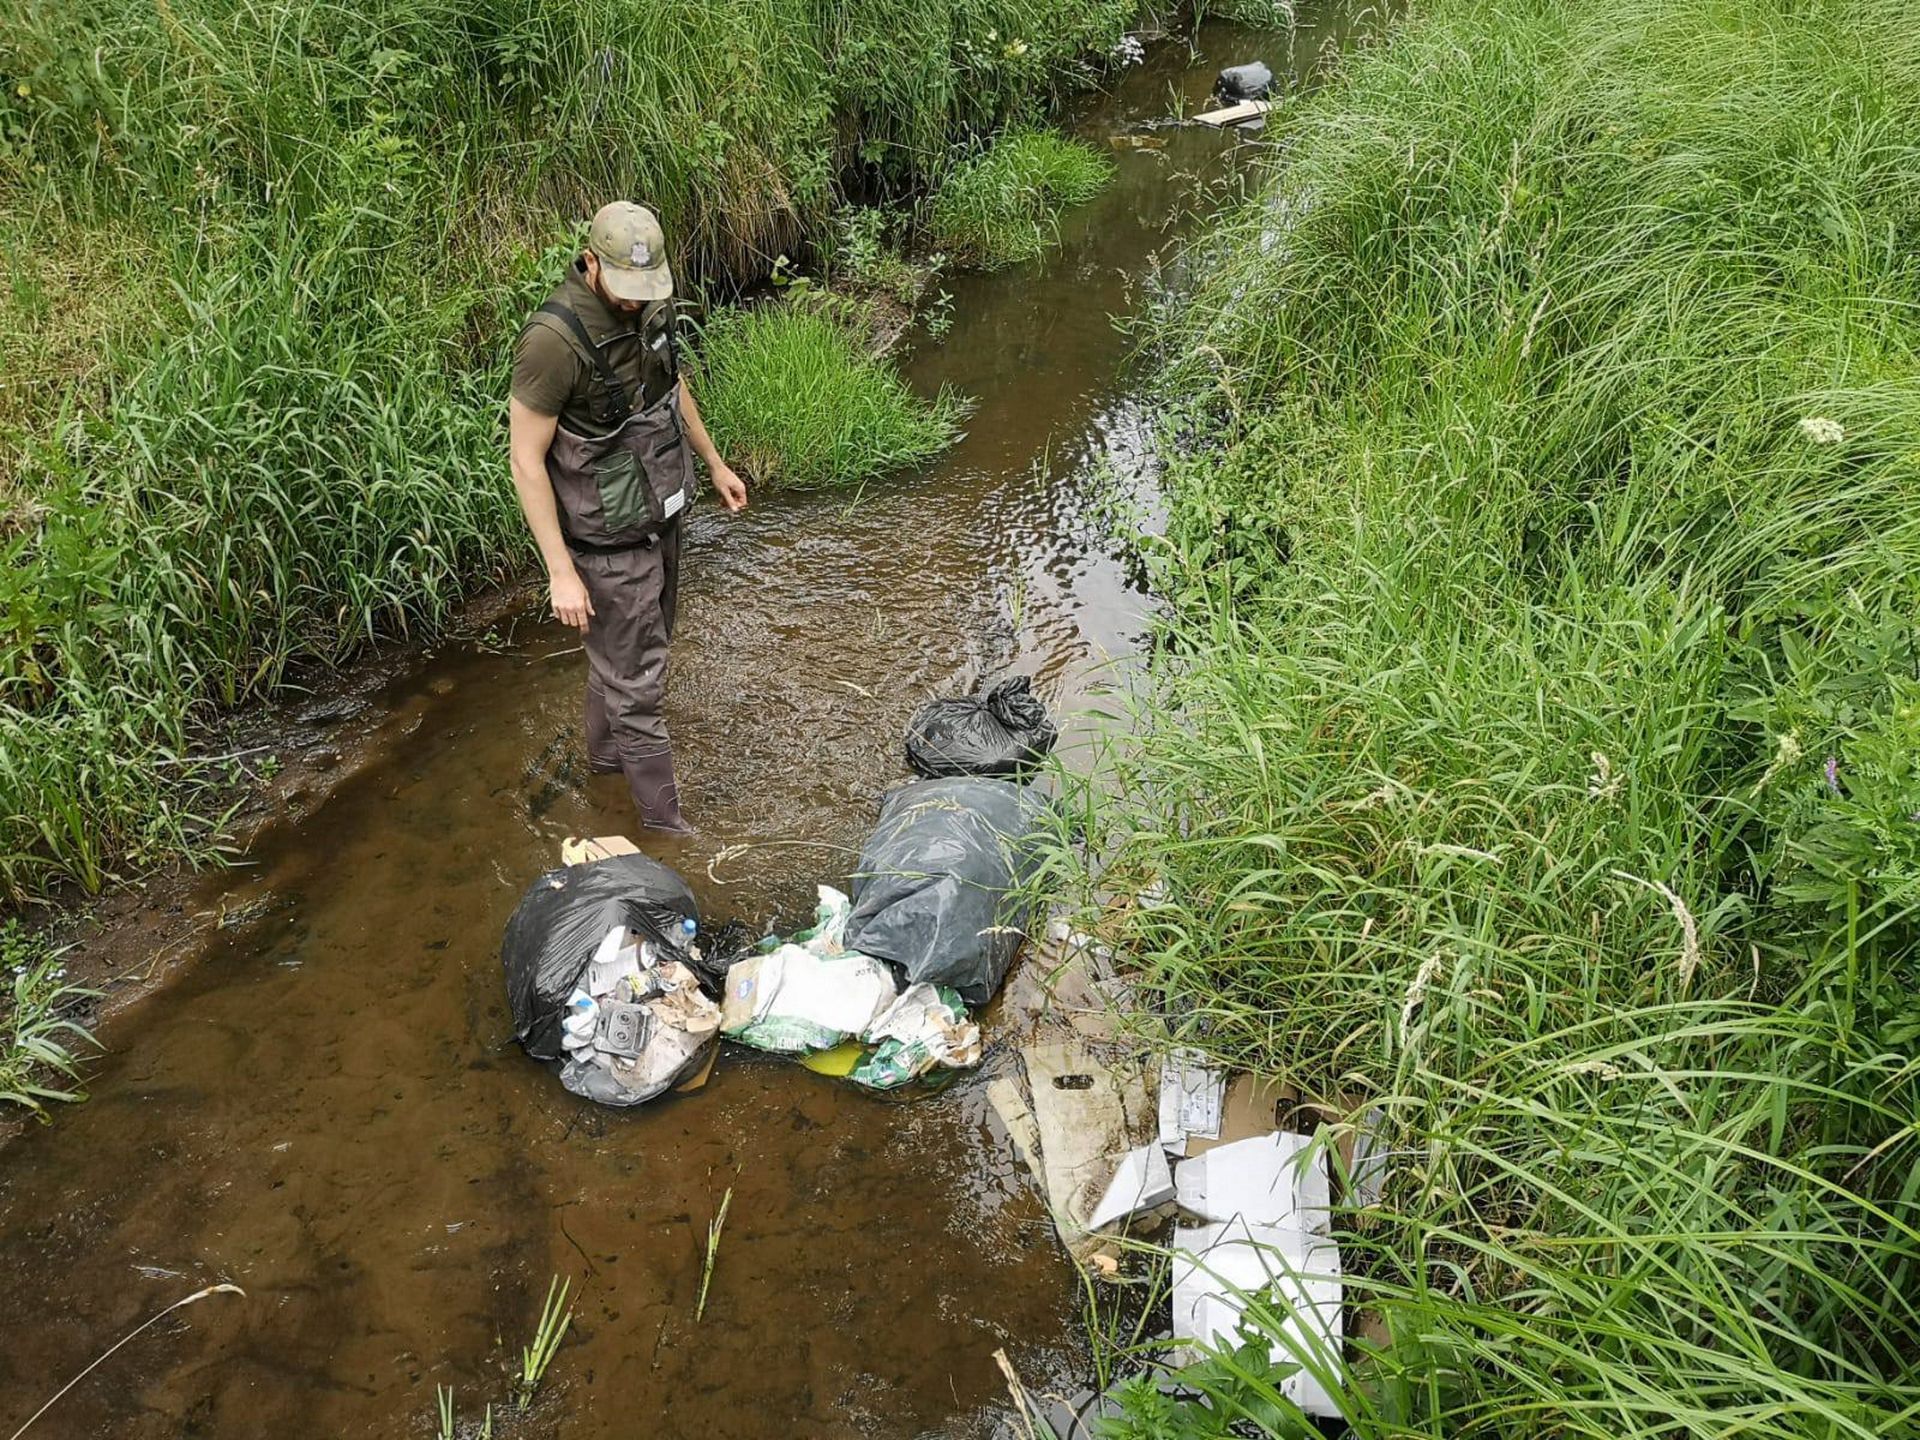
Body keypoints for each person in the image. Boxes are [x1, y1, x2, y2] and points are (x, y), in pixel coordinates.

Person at [508, 202, 748, 834]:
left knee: (623, 661)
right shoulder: (552, 343)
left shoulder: (652, 306)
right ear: (591, 262)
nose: (636, 302)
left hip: (658, 517)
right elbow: (526, 461)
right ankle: (668, 835)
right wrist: (561, 571)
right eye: (625, 288)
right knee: (639, 686)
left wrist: (715, 463)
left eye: (647, 289)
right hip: (606, 546)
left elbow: (672, 388)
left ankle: (606, 772)